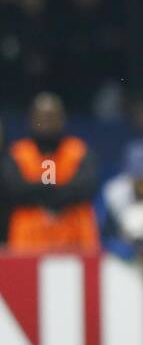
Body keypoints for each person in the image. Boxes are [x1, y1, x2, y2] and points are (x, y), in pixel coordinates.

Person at [3, 93, 100, 252]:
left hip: (76, 243)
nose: (47, 122)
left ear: (62, 118)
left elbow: (87, 186)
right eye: (42, 117)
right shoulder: (17, 153)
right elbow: (13, 189)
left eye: (51, 117)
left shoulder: (79, 150)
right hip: (28, 245)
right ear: (31, 119)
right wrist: (58, 191)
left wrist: (41, 192)